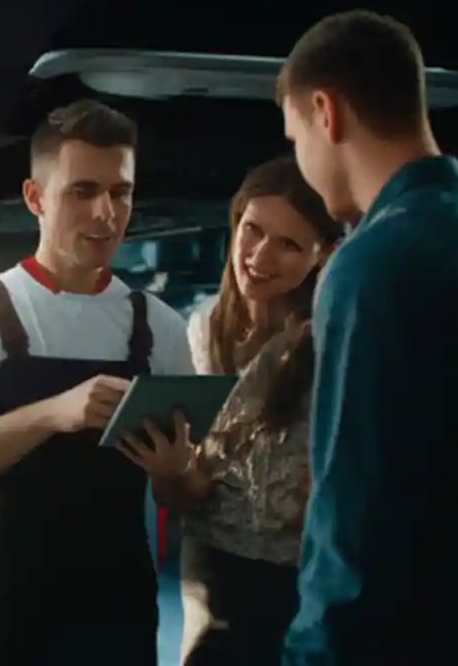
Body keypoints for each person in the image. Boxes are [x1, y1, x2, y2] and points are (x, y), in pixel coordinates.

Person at [276, 9, 458, 664]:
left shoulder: (374, 262)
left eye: (296, 140)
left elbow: (352, 538)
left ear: (326, 112)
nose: (303, 166)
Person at [0, 98, 194, 666]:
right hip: (3, 616)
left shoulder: (158, 327)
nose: (106, 214)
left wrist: (175, 475)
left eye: (121, 193)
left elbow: (180, 496)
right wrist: (52, 413)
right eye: (83, 191)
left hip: (116, 615)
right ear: (35, 198)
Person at [119, 155, 343, 665]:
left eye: (289, 244)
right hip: (212, 578)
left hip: (304, 583)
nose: (260, 256)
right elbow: (194, 493)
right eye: (253, 230)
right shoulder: (202, 330)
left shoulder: (333, 344)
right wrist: (170, 470)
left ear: (323, 253)